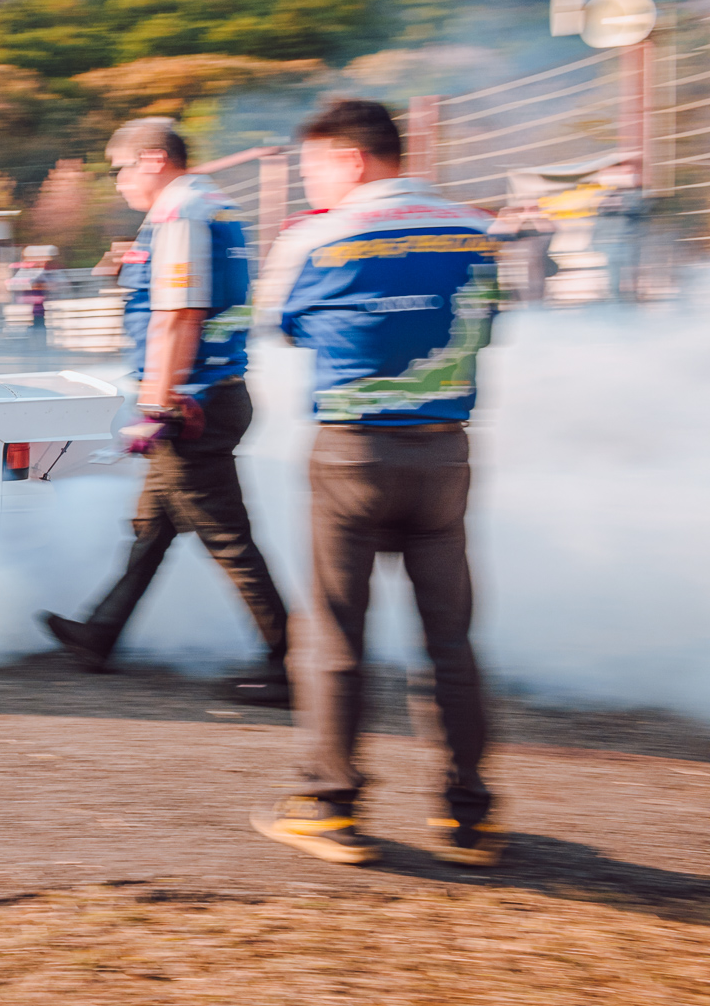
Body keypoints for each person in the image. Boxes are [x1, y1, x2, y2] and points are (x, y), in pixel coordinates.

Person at [250, 98, 504, 869]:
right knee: (450, 641)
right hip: (445, 456)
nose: (311, 185)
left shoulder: (314, 236)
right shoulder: (475, 230)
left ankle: (331, 806)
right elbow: (485, 322)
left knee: (331, 634)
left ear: (352, 160)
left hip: (351, 453)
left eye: (314, 168)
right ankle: (469, 816)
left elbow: (279, 324)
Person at [38, 117, 291, 706]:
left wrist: (155, 404)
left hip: (189, 402)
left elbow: (177, 315)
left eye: (120, 169)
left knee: (230, 541)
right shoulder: (215, 206)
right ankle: (99, 634)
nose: (120, 182)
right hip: (209, 391)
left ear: (152, 159)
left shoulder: (180, 213)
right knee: (152, 529)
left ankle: (294, 665)